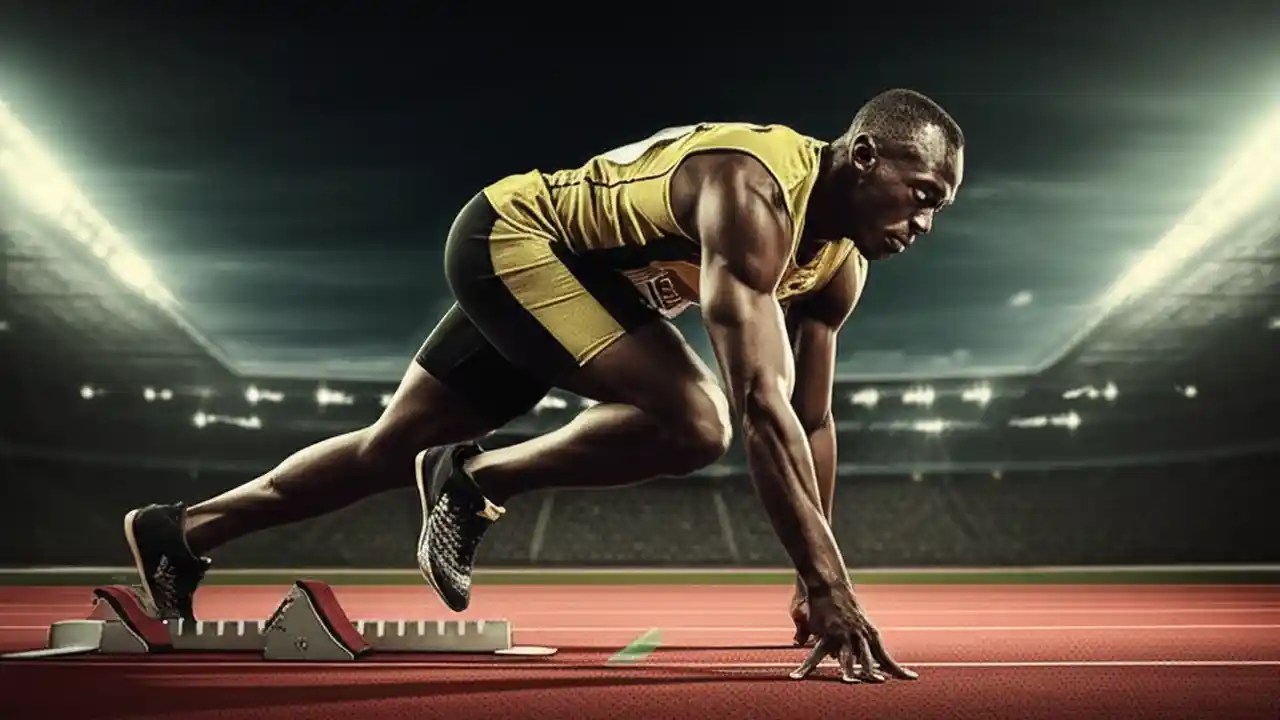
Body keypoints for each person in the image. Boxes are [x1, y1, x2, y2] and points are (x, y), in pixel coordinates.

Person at [123, 87, 963, 684]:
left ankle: (182, 530)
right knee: (695, 421)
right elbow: (759, 409)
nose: (923, 224)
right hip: (515, 239)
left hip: (583, 287)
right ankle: (476, 478)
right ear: (862, 156)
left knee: (389, 448)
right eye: (919, 194)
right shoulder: (754, 193)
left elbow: (811, 422)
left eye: (940, 209)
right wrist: (828, 584)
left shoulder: (838, 269)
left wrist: (803, 579)